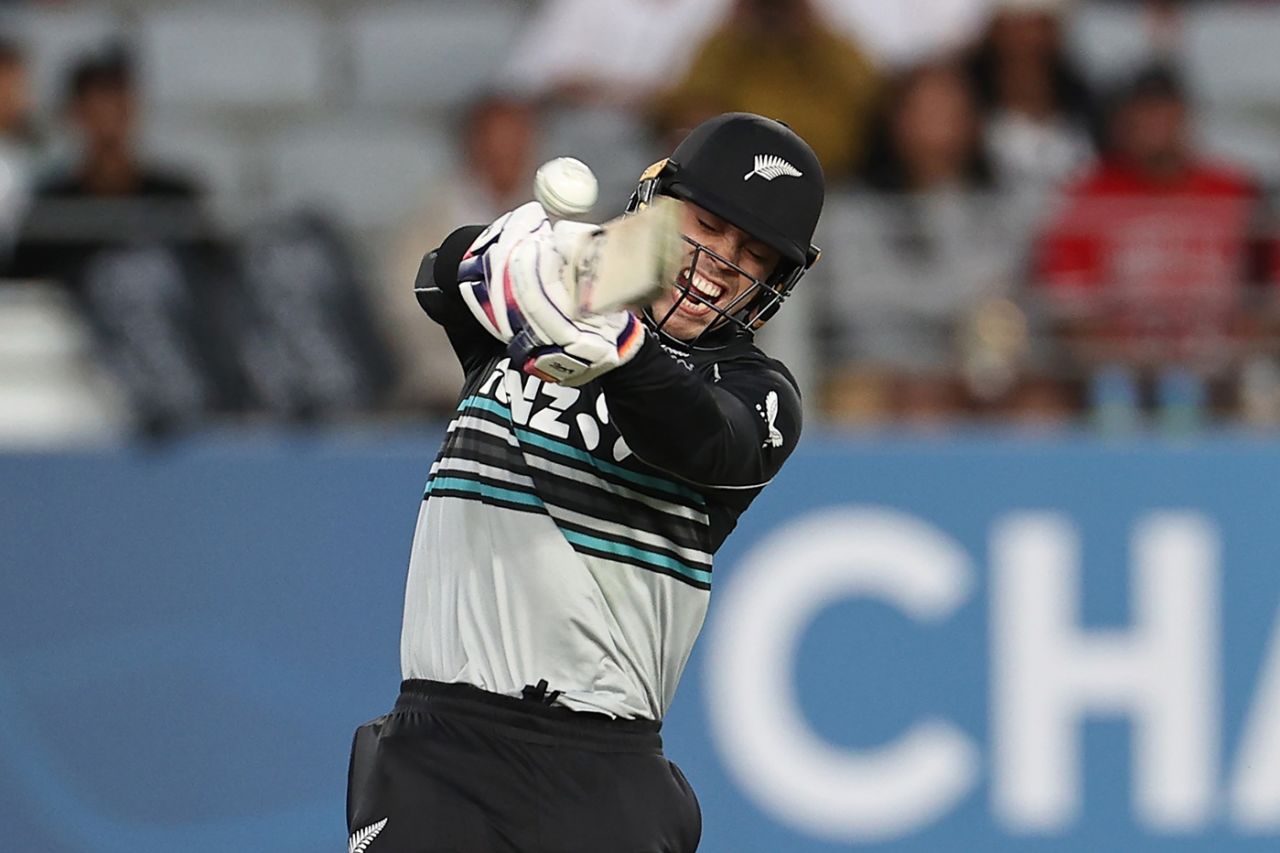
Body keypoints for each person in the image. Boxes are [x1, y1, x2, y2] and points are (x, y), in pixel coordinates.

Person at [346, 113, 823, 852]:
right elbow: (438, 275)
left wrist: (621, 347)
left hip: (600, 772)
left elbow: (704, 438)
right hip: (438, 752)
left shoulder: (759, 392)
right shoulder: (551, 301)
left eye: (754, 254)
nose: (722, 260)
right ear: (654, 206)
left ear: (774, 282)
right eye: (707, 223)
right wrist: (510, 250)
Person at [651, 0, 881, 182]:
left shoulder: (831, 50)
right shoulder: (723, 48)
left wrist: (814, 32)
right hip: (734, 183)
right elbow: (688, 108)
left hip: (835, 185)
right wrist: (735, 33)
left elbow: (871, 100)